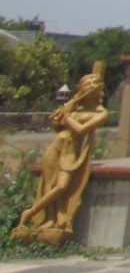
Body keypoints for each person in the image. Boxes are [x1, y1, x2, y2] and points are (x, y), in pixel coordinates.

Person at [11, 64, 109, 246]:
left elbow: (80, 131)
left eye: (95, 84)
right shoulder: (75, 108)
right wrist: (65, 112)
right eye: (88, 84)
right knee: (49, 185)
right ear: (80, 88)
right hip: (57, 147)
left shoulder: (101, 113)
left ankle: (30, 212)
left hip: (72, 152)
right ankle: (49, 218)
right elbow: (57, 127)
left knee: (62, 186)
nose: (92, 87)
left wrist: (67, 116)